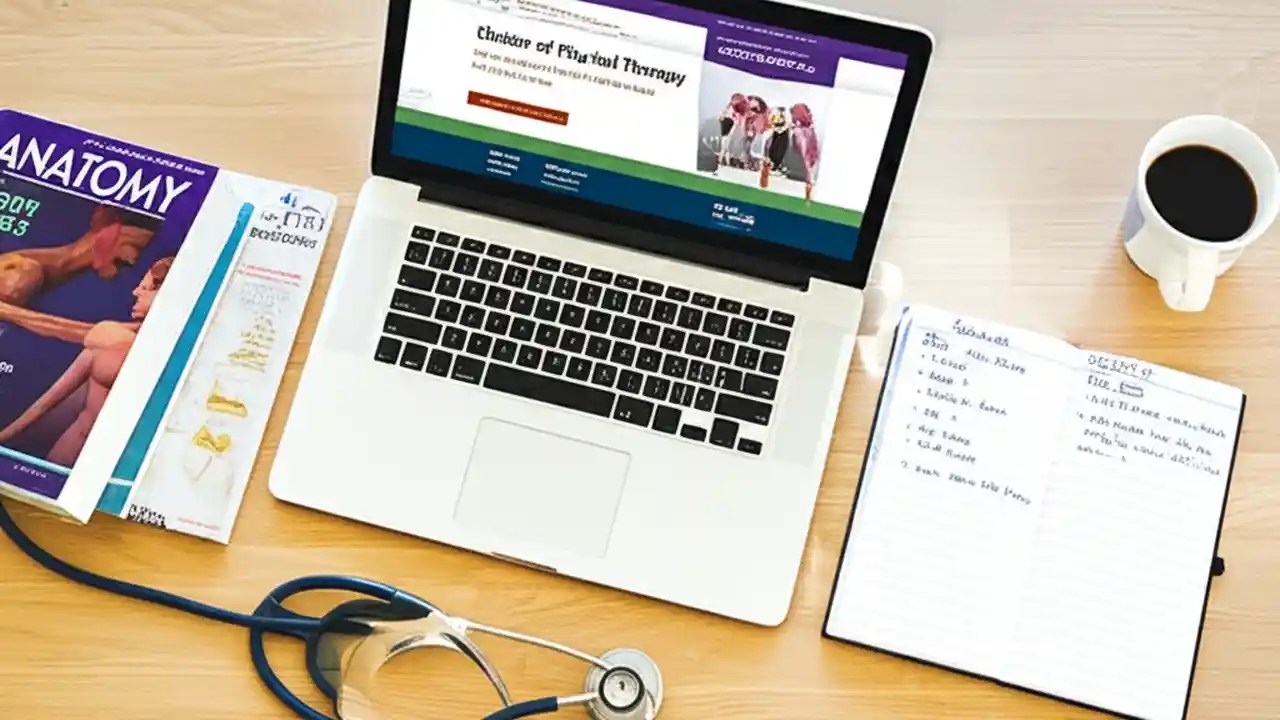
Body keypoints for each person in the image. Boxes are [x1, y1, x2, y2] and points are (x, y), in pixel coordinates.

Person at [0, 256, 173, 466]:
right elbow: (53, 400)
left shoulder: (123, 339)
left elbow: (68, 330)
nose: (135, 292)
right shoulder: (113, 335)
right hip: (69, 448)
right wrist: (7, 436)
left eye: (145, 288)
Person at [789, 103, 822, 202]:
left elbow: (803, 153)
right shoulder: (810, 131)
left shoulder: (799, 132)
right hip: (807, 172)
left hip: (799, 172)